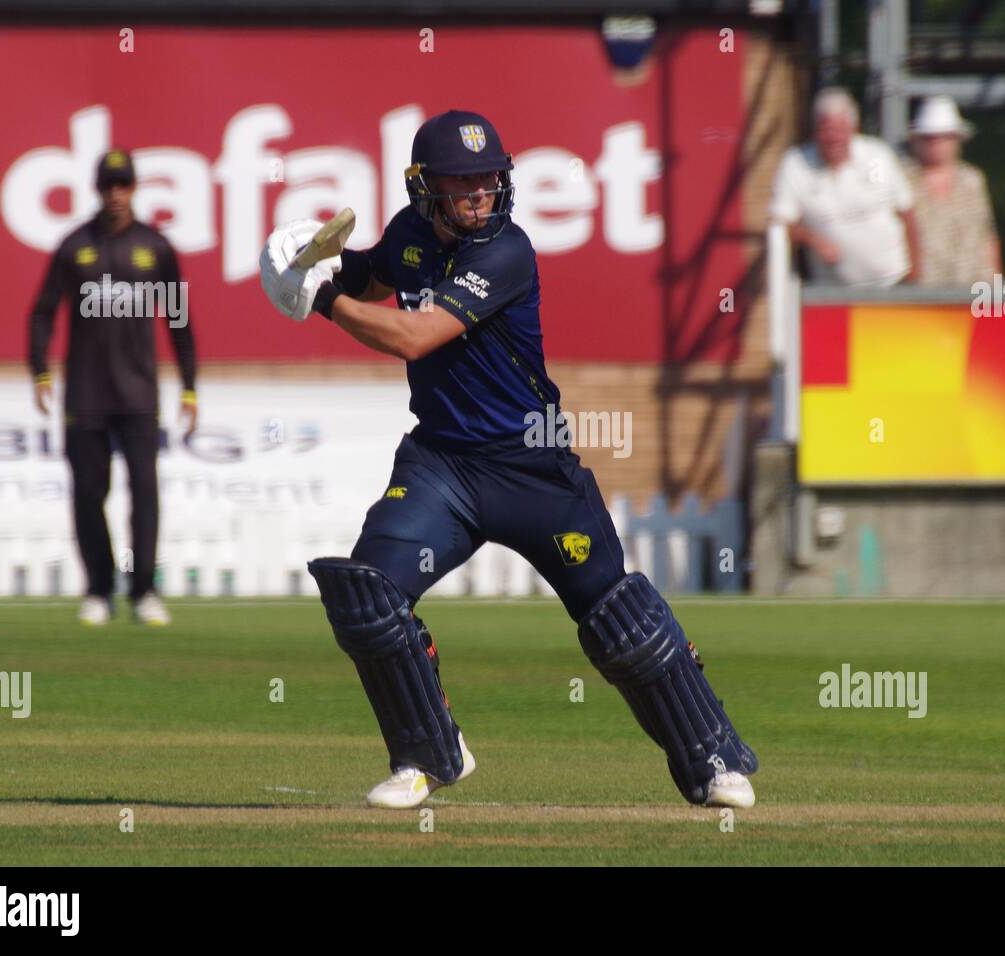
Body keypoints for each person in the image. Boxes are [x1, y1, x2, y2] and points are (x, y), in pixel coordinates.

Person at [259, 110, 757, 809]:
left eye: (490, 177)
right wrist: (309, 260)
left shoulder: (507, 254)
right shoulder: (409, 235)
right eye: (463, 181)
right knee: (368, 595)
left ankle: (711, 760)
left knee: (621, 622)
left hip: (534, 471)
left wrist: (320, 301)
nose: (481, 192)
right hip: (442, 468)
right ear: (425, 188)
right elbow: (372, 280)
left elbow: (410, 335)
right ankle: (427, 756)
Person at [27, 149, 198, 627]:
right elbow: (42, 312)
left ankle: (144, 591)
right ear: (96, 190)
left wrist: (189, 388)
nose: (115, 194)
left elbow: (179, 321)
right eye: (108, 185)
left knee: (144, 491)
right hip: (85, 394)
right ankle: (99, 589)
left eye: (123, 185)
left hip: (139, 395)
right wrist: (40, 371)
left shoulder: (155, 247)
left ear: (135, 188)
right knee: (87, 491)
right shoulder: (73, 245)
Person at [770, 87, 920, 286]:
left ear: (853, 130)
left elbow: (906, 213)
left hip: (893, 285)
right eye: (826, 129)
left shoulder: (877, 157)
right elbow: (780, 223)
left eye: (840, 129)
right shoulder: (796, 164)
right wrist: (812, 239)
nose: (833, 138)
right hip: (835, 294)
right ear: (815, 132)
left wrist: (915, 274)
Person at [903, 96, 1001, 286]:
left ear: (957, 139)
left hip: (971, 288)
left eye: (944, 136)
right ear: (918, 140)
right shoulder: (903, 180)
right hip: (920, 291)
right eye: (930, 137)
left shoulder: (973, 180)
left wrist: (995, 286)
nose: (936, 143)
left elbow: (987, 235)